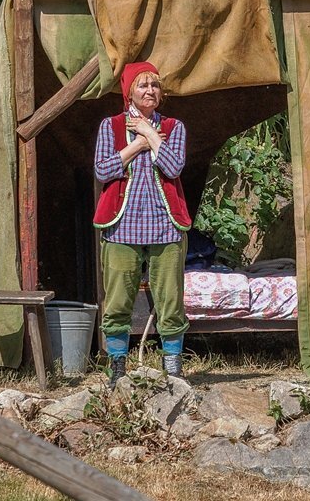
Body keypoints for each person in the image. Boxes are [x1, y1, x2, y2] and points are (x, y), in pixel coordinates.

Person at [93, 62, 191, 386]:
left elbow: (174, 166)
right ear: (129, 92)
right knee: (118, 300)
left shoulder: (174, 127)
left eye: (155, 86)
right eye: (143, 86)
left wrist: (150, 132)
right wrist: (137, 144)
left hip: (165, 225)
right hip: (122, 226)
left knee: (170, 300)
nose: (150, 91)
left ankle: (173, 372)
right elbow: (104, 171)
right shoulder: (112, 126)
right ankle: (117, 370)